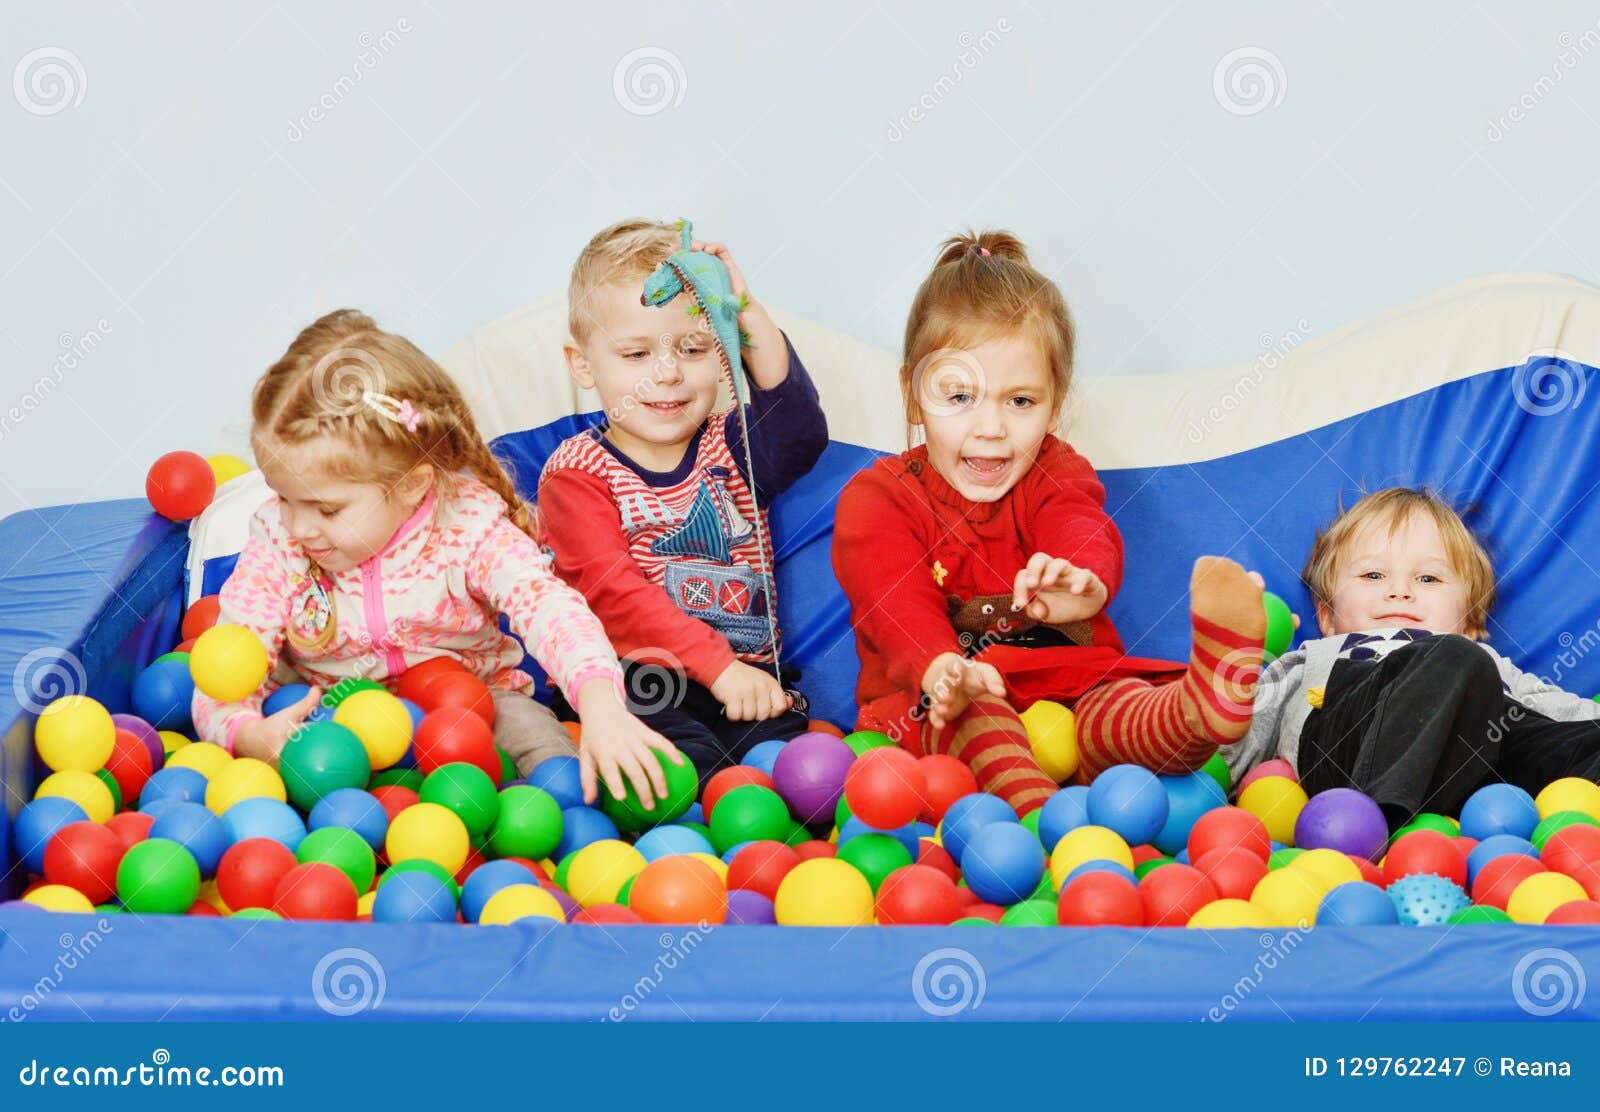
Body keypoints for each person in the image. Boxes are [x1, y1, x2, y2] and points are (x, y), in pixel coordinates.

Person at [832, 230, 1266, 816]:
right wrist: (943, 668)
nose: (990, 427)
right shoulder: (880, 497)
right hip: (938, 702)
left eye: (1020, 402)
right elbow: (893, 604)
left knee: (1117, 712)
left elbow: (1079, 523)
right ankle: (1045, 834)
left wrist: (1082, 578)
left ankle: (1198, 707)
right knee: (974, 716)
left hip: (1073, 687)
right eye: (959, 397)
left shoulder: (1056, 471)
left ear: (1055, 404)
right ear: (912, 396)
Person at [192, 308, 682, 807]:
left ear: (412, 486)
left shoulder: (467, 524)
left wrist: (601, 706)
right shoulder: (279, 537)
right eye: (283, 497)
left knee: (551, 768)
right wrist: (246, 734)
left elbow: (549, 607)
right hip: (327, 716)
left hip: (474, 704)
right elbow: (230, 658)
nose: (299, 526)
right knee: (295, 792)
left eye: (326, 508)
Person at [537, 220, 829, 780]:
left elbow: (800, 428)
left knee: (796, 772)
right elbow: (611, 593)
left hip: (745, 683)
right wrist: (715, 667)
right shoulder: (576, 472)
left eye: (692, 348)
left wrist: (742, 308)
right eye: (636, 354)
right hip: (635, 678)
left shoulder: (735, 444)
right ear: (583, 365)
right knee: (672, 766)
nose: (667, 373)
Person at [1234, 486, 1600, 828]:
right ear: (1327, 617)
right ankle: (1376, 823)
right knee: (1453, 660)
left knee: (1557, 733)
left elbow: (1560, 713)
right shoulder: (1313, 657)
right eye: (1373, 574)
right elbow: (1232, 752)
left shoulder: (1484, 661)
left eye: (1428, 579)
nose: (1399, 591)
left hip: (1481, 776)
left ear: (1471, 621)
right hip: (1348, 747)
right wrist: (1232, 659)